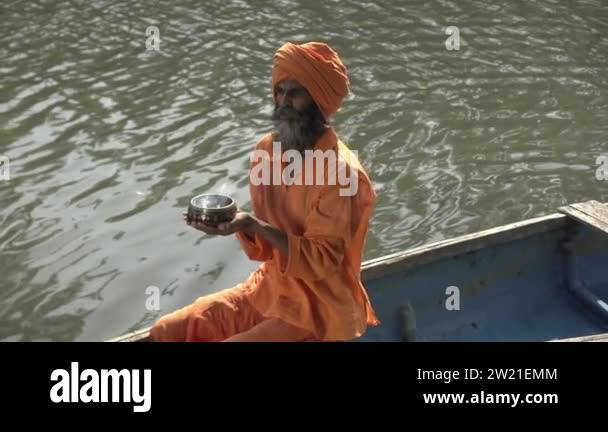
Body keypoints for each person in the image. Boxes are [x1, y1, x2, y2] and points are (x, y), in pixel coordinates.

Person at [150, 41, 379, 342]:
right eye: (280, 91)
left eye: (295, 93)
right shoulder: (266, 150)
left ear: (318, 101)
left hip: (320, 308)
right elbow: (263, 250)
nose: (284, 101)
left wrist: (252, 224)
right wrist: (234, 224)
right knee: (167, 331)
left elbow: (323, 260)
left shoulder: (340, 172)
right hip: (269, 288)